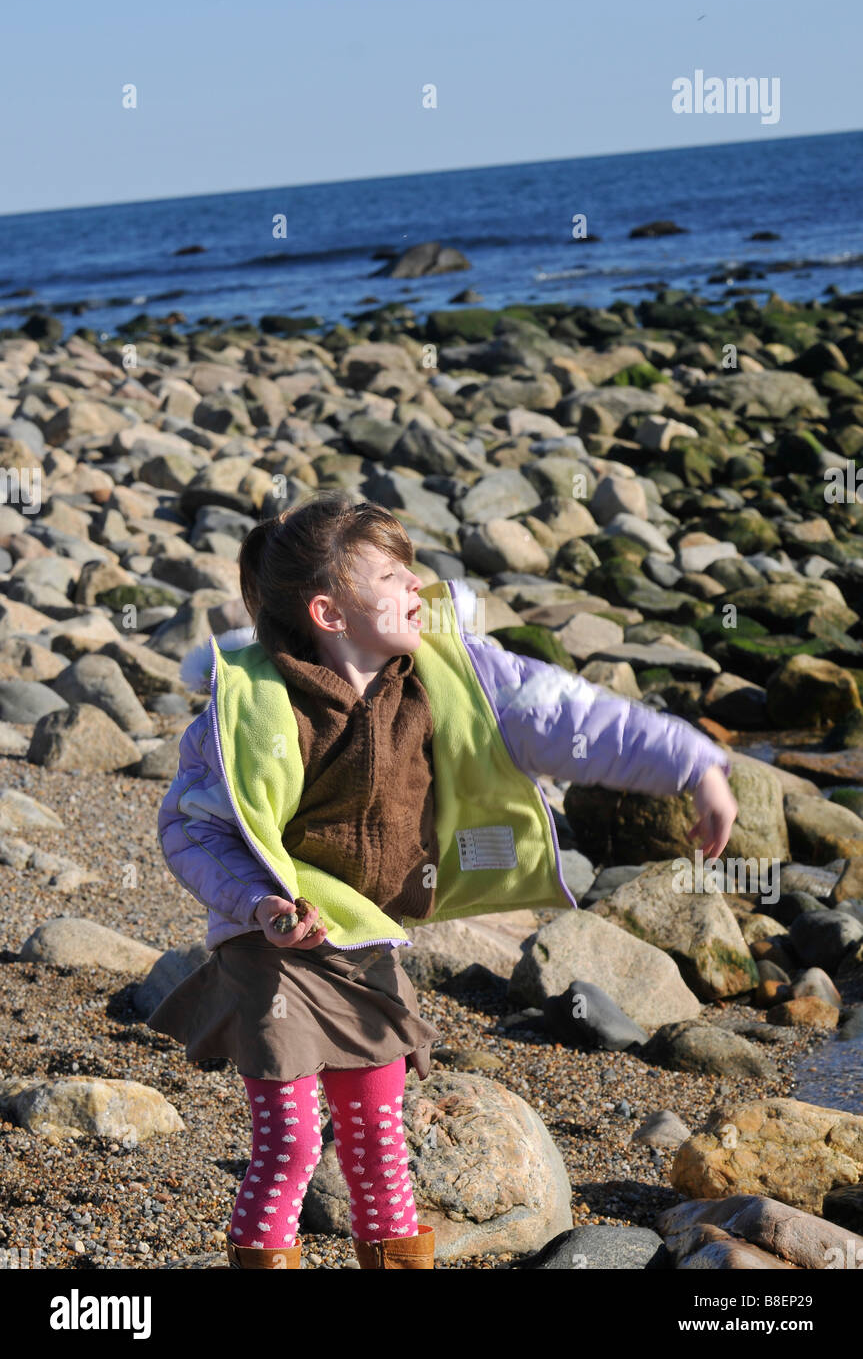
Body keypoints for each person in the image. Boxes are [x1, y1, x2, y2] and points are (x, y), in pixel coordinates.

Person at [148, 489, 737, 1271]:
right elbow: (189, 828)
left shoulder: (449, 677)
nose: (413, 590)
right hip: (275, 947)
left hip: (367, 942)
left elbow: (573, 717)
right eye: (391, 578)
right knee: (289, 1144)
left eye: (411, 571)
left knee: (376, 1136)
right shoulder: (251, 707)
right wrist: (255, 904)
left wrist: (692, 763)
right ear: (329, 613)